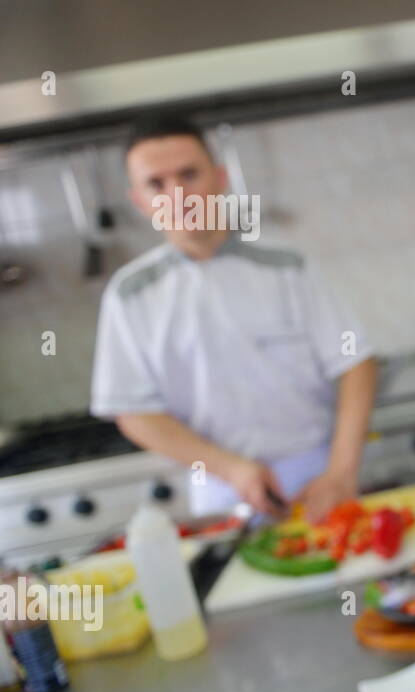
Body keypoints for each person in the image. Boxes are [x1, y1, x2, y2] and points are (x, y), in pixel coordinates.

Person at [91, 114, 378, 523]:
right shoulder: (129, 295)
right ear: (139, 200)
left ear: (219, 178)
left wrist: (341, 471)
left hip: (320, 475)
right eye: (157, 184)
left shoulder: (287, 266)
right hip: (221, 489)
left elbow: (355, 364)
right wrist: (231, 469)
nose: (178, 195)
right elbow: (134, 413)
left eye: (189, 174)